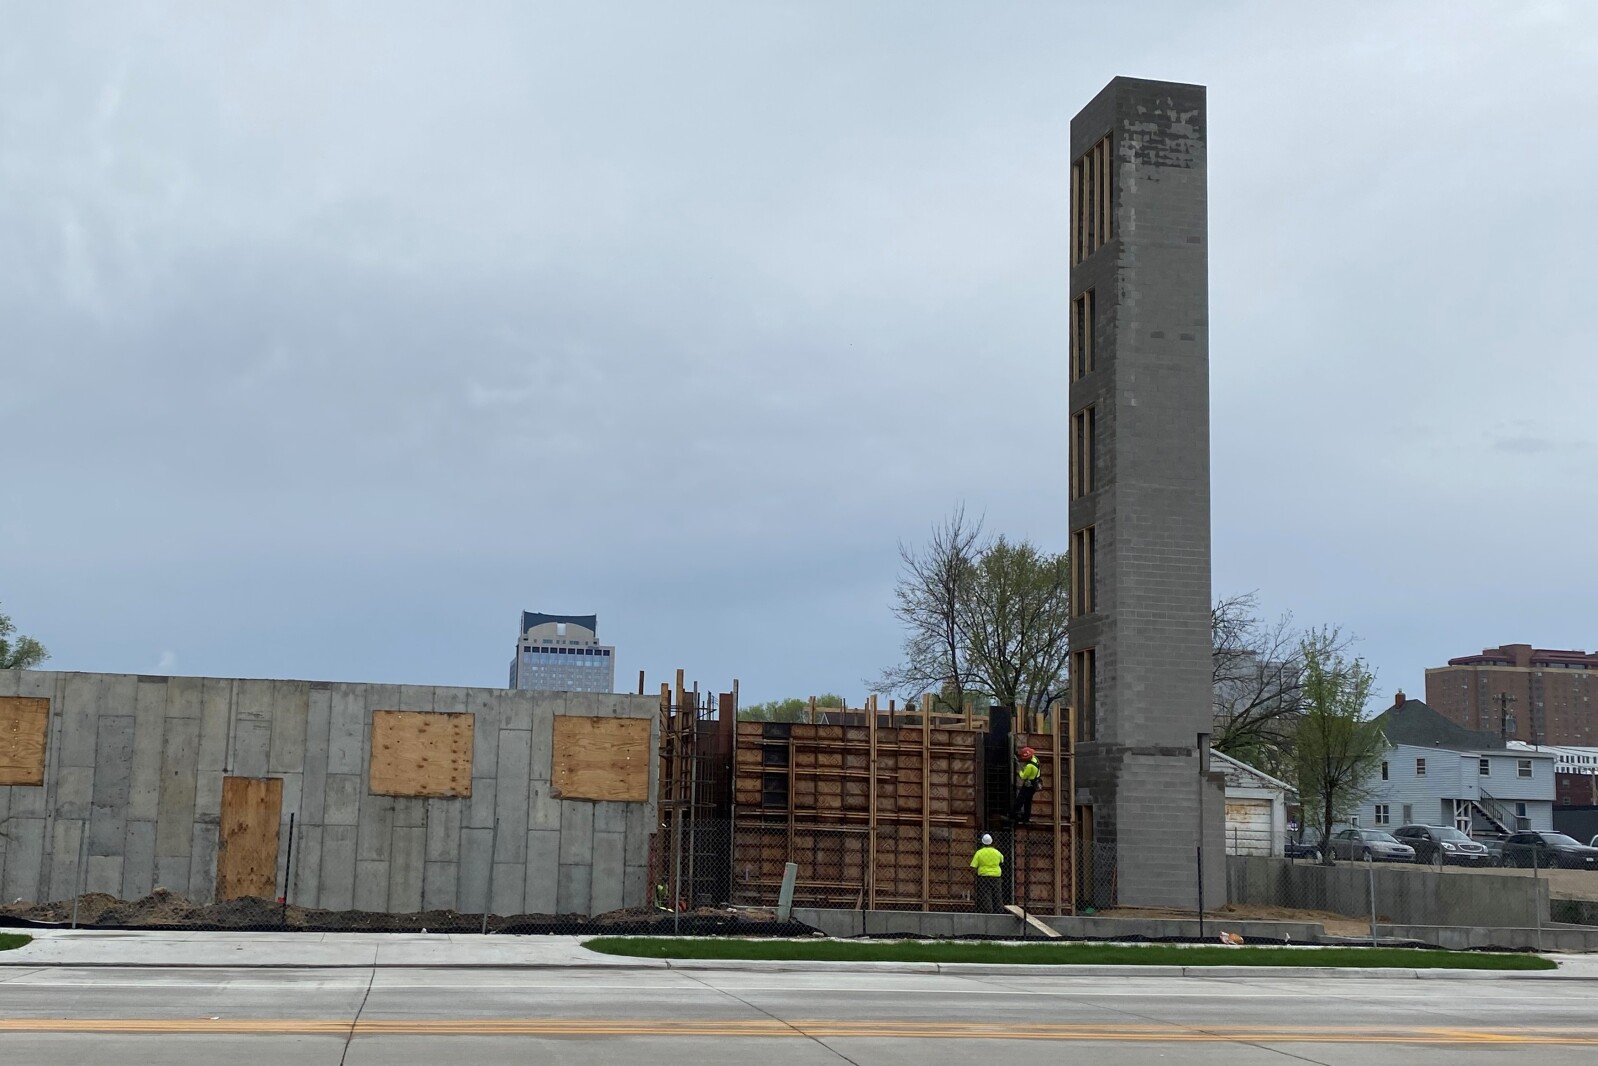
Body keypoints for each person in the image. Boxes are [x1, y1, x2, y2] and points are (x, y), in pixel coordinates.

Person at [970, 833, 1004, 913]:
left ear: (982, 842)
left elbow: (973, 866)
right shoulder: (997, 852)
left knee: (986, 894)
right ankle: (999, 910)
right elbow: (1002, 861)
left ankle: (988, 911)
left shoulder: (979, 853)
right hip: (996, 876)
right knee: (997, 894)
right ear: (992, 842)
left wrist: (975, 875)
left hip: (984, 876)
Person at [1012, 746, 1041, 825]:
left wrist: (1019, 771)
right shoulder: (1035, 759)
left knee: (1020, 799)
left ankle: (1014, 815)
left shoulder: (1029, 766)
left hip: (1028, 785)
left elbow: (1023, 776)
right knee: (1028, 801)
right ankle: (1026, 817)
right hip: (1034, 784)